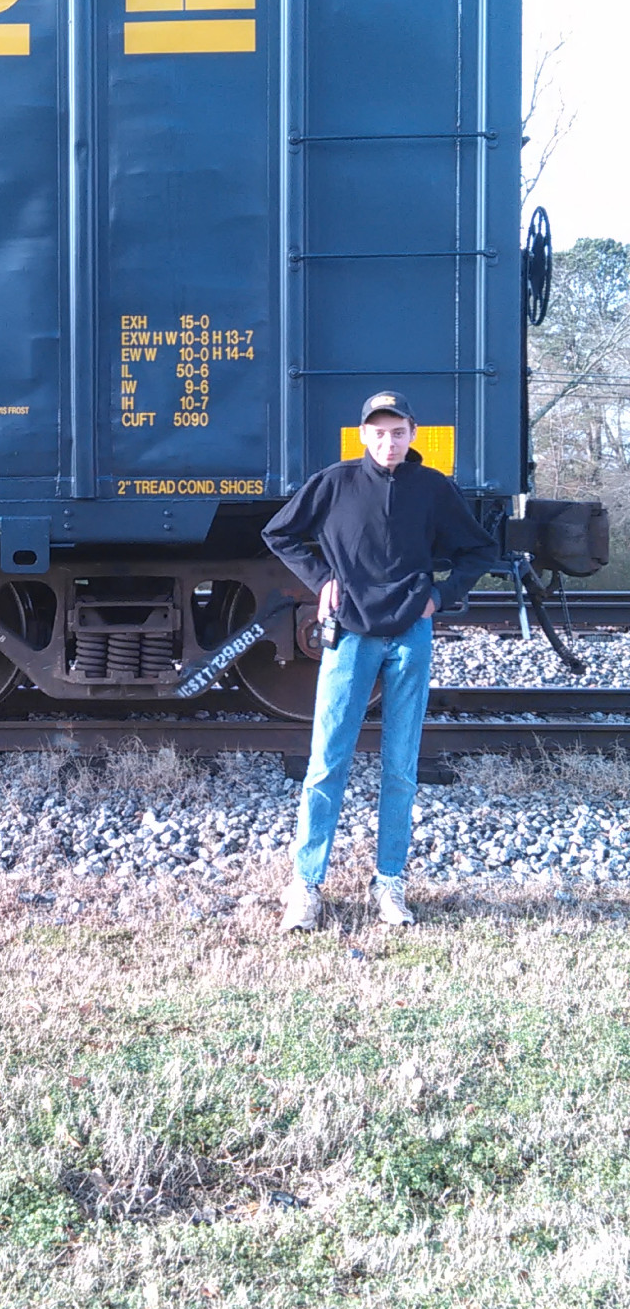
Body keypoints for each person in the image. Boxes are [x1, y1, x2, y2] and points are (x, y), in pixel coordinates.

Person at [262, 391, 497, 930]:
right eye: (378, 432)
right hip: (349, 635)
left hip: (412, 634)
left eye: (398, 431)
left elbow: (479, 551)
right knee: (326, 762)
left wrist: (442, 595)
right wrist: (322, 581)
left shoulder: (434, 488)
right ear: (363, 434)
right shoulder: (335, 483)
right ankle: (306, 885)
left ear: (413, 433)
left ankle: (389, 882)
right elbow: (280, 534)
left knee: (401, 765)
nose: (388, 441)